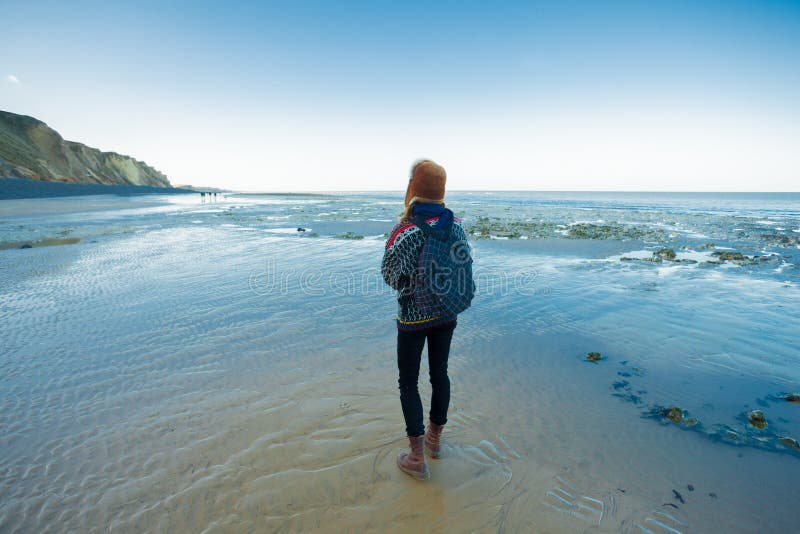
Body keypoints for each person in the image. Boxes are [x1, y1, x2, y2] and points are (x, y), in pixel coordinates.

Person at [381, 159, 472, 480]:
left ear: (412, 189)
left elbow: (390, 275)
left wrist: (415, 286)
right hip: (447, 314)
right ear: (441, 191)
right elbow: (462, 265)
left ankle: (416, 456)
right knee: (439, 374)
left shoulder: (405, 231)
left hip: (412, 318)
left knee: (408, 381)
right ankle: (434, 441)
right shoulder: (457, 225)